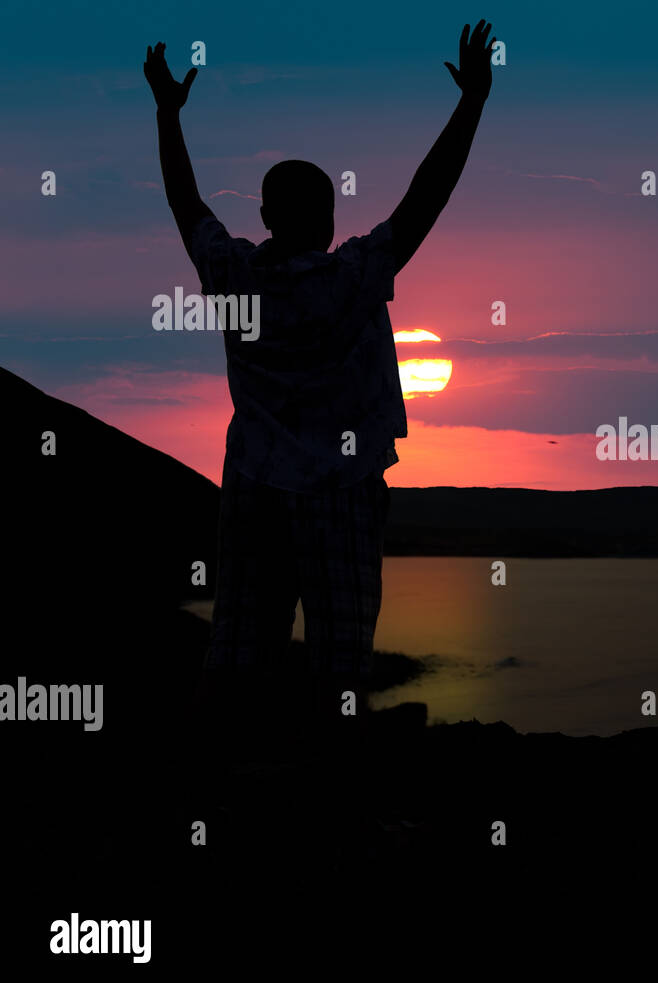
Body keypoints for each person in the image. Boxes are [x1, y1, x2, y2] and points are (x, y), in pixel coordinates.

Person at [144, 21, 495, 742]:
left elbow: (186, 205)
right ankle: (336, 804)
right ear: (330, 222)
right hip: (341, 491)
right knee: (338, 663)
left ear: (267, 216)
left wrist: (167, 113)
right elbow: (428, 197)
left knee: (237, 648)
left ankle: (205, 786)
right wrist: (472, 102)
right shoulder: (354, 276)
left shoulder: (234, 276)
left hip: (254, 485)